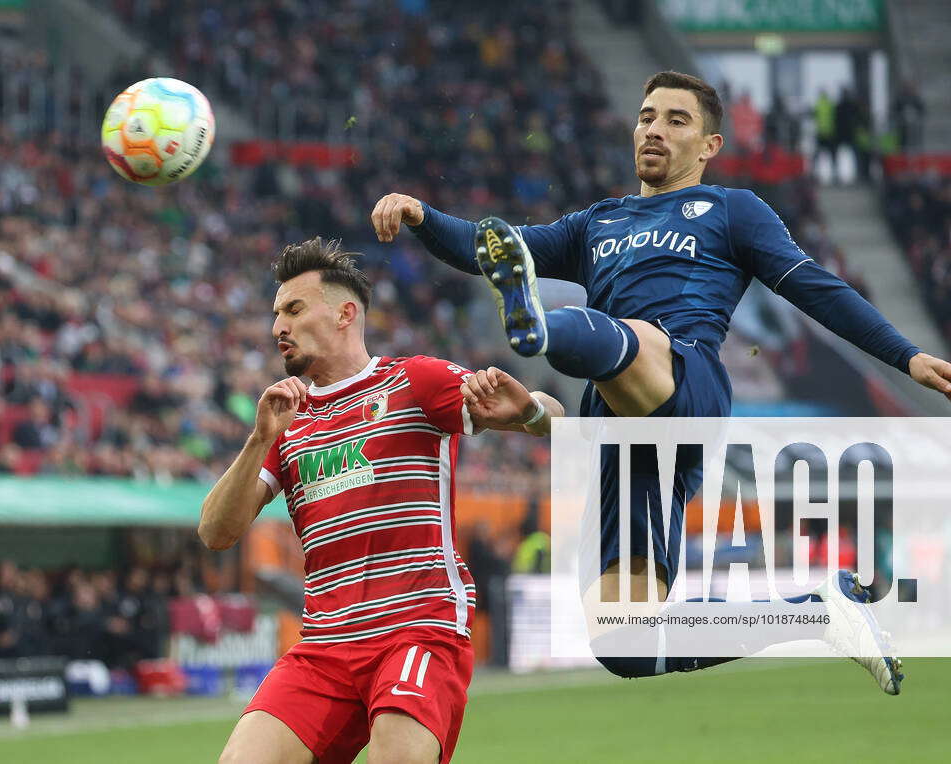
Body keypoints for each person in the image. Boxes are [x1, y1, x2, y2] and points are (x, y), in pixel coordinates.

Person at [371, 70, 951, 696]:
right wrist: (423, 216)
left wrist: (906, 356)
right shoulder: (596, 223)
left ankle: (543, 328)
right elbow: (491, 247)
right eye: (647, 116)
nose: (655, 128)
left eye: (677, 120)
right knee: (626, 641)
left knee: (631, 337)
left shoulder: (732, 211)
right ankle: (816, 611)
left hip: (685, 379)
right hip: (619, 442)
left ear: (709, 146)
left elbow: (814, 286)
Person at [200, 238, 563, 764]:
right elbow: (215, 532)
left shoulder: (415, 381)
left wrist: (530, 410)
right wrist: (258, 439)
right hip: (324, 645)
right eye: (276, 314)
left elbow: (553, 414)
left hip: (417, 626)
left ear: (346, 313)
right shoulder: (286, 425)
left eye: (294, 309)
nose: (278, 327)